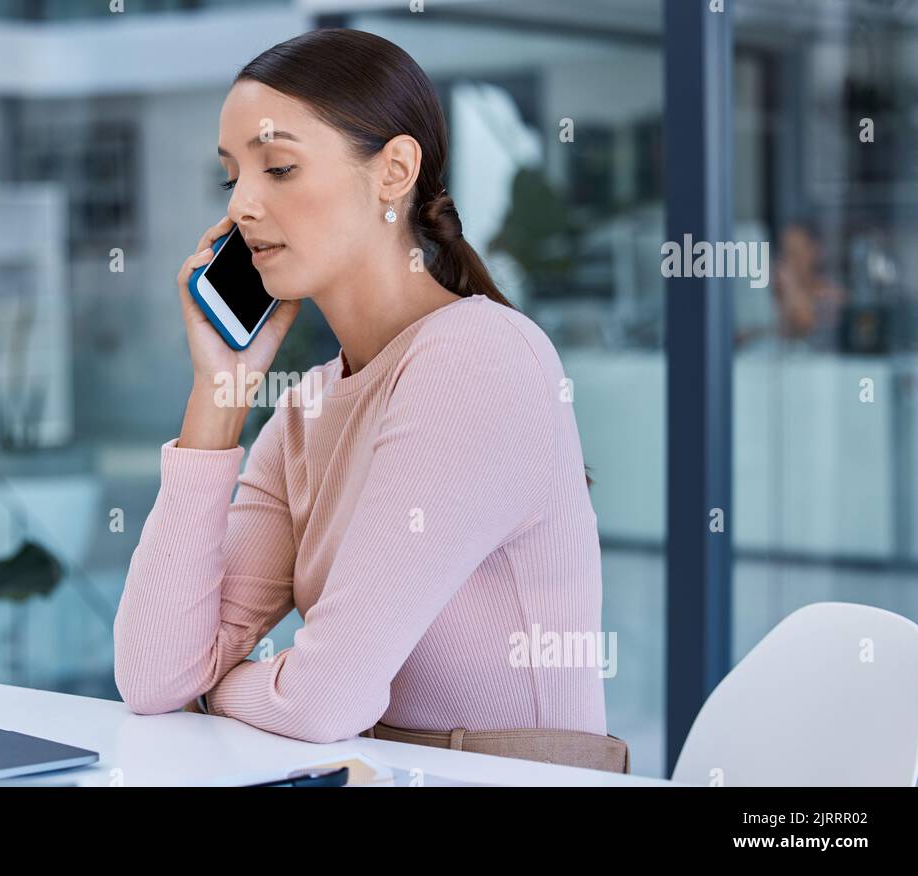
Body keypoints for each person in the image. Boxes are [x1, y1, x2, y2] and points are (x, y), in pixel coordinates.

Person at [113, 29, 619, 769]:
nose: (244, 207)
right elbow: (155, 674)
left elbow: (324, 701)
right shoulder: (308, 406)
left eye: (279, 167)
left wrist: (216, 687)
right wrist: (219, 395)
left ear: (394, 172)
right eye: (232, 178)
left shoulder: (477, 357)